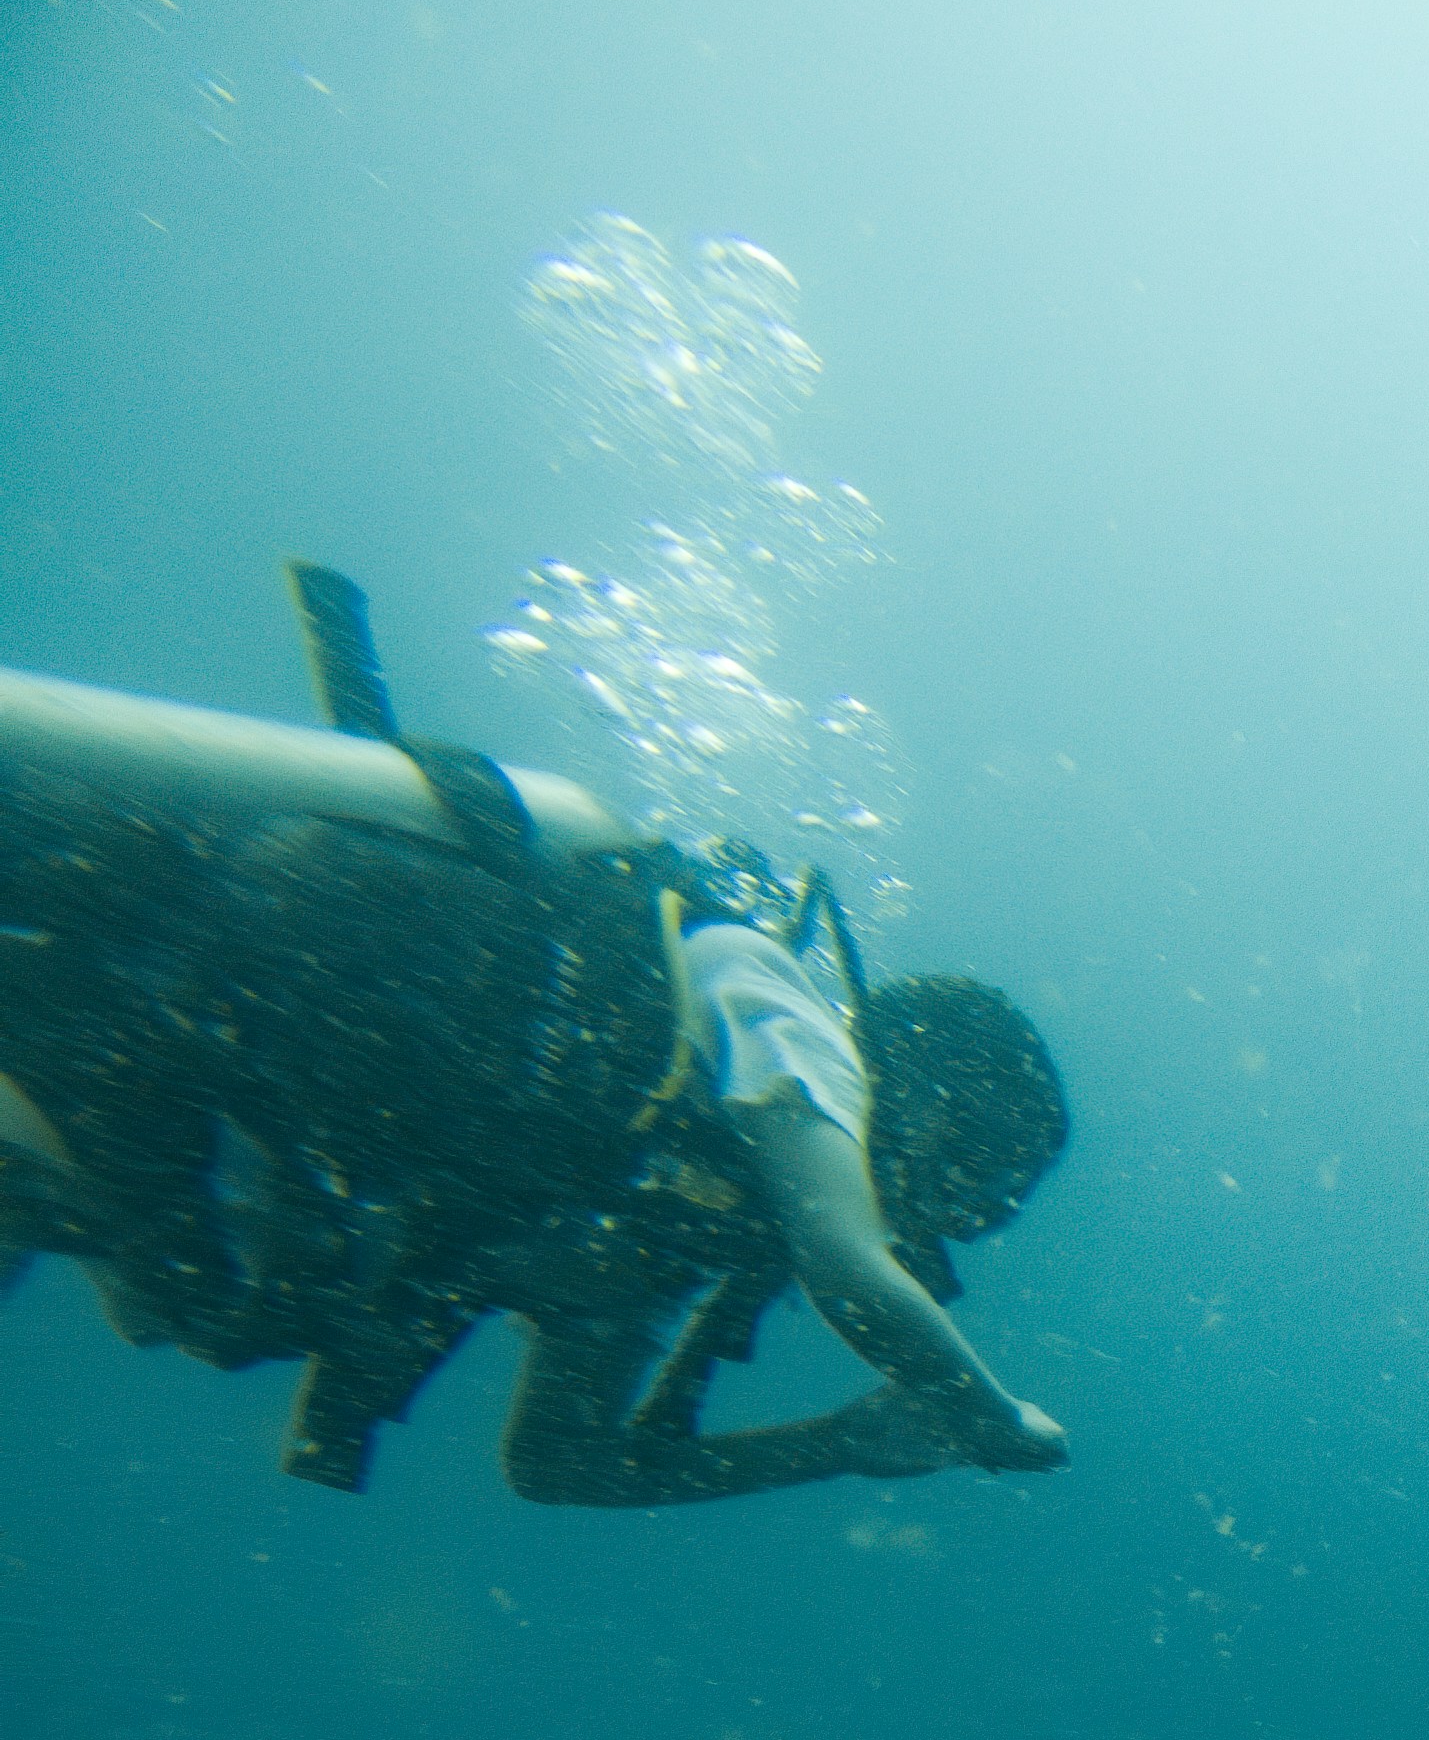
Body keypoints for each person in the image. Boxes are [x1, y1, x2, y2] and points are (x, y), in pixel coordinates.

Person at [0, 582, 1070, 1503]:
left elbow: (561, 1463)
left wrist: (833, 1448)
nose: (932, 1236)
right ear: (923, 1112)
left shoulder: (666, 1221)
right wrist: (990, 1419)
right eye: (957, 1196)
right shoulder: (782, 1010)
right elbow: (851, 1268)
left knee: (147, 1263)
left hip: (172, 1088)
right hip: (218, 952)